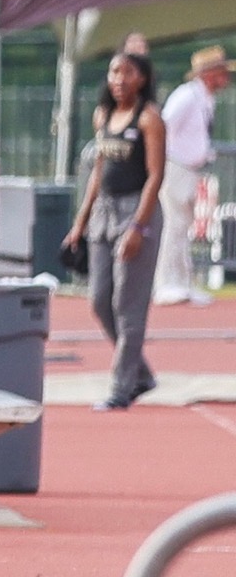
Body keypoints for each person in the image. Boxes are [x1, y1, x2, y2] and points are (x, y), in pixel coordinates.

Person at [65, 53, 166, 411]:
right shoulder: (103, 115)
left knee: (128, 304)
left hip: (136, 208)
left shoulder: (149, 118)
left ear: (141, 78)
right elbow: (97, 172)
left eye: (128, 72)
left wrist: (139, 225)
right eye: (114, 71)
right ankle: (142, 374)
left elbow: (155, 175)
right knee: (99, 299)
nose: (119, 78)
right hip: (104, 210)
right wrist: (80, 220)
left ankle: (122, 387)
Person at [154, 45, 224, 307]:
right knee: (172, 226)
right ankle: (165, 283)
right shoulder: (185, 96)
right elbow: (163, 125)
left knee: (182, 227)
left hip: (189, 168)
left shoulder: (205, 97)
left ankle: (182, 281)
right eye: (220, 72)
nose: (225, 78)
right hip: (175, 167)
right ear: (208, 74)